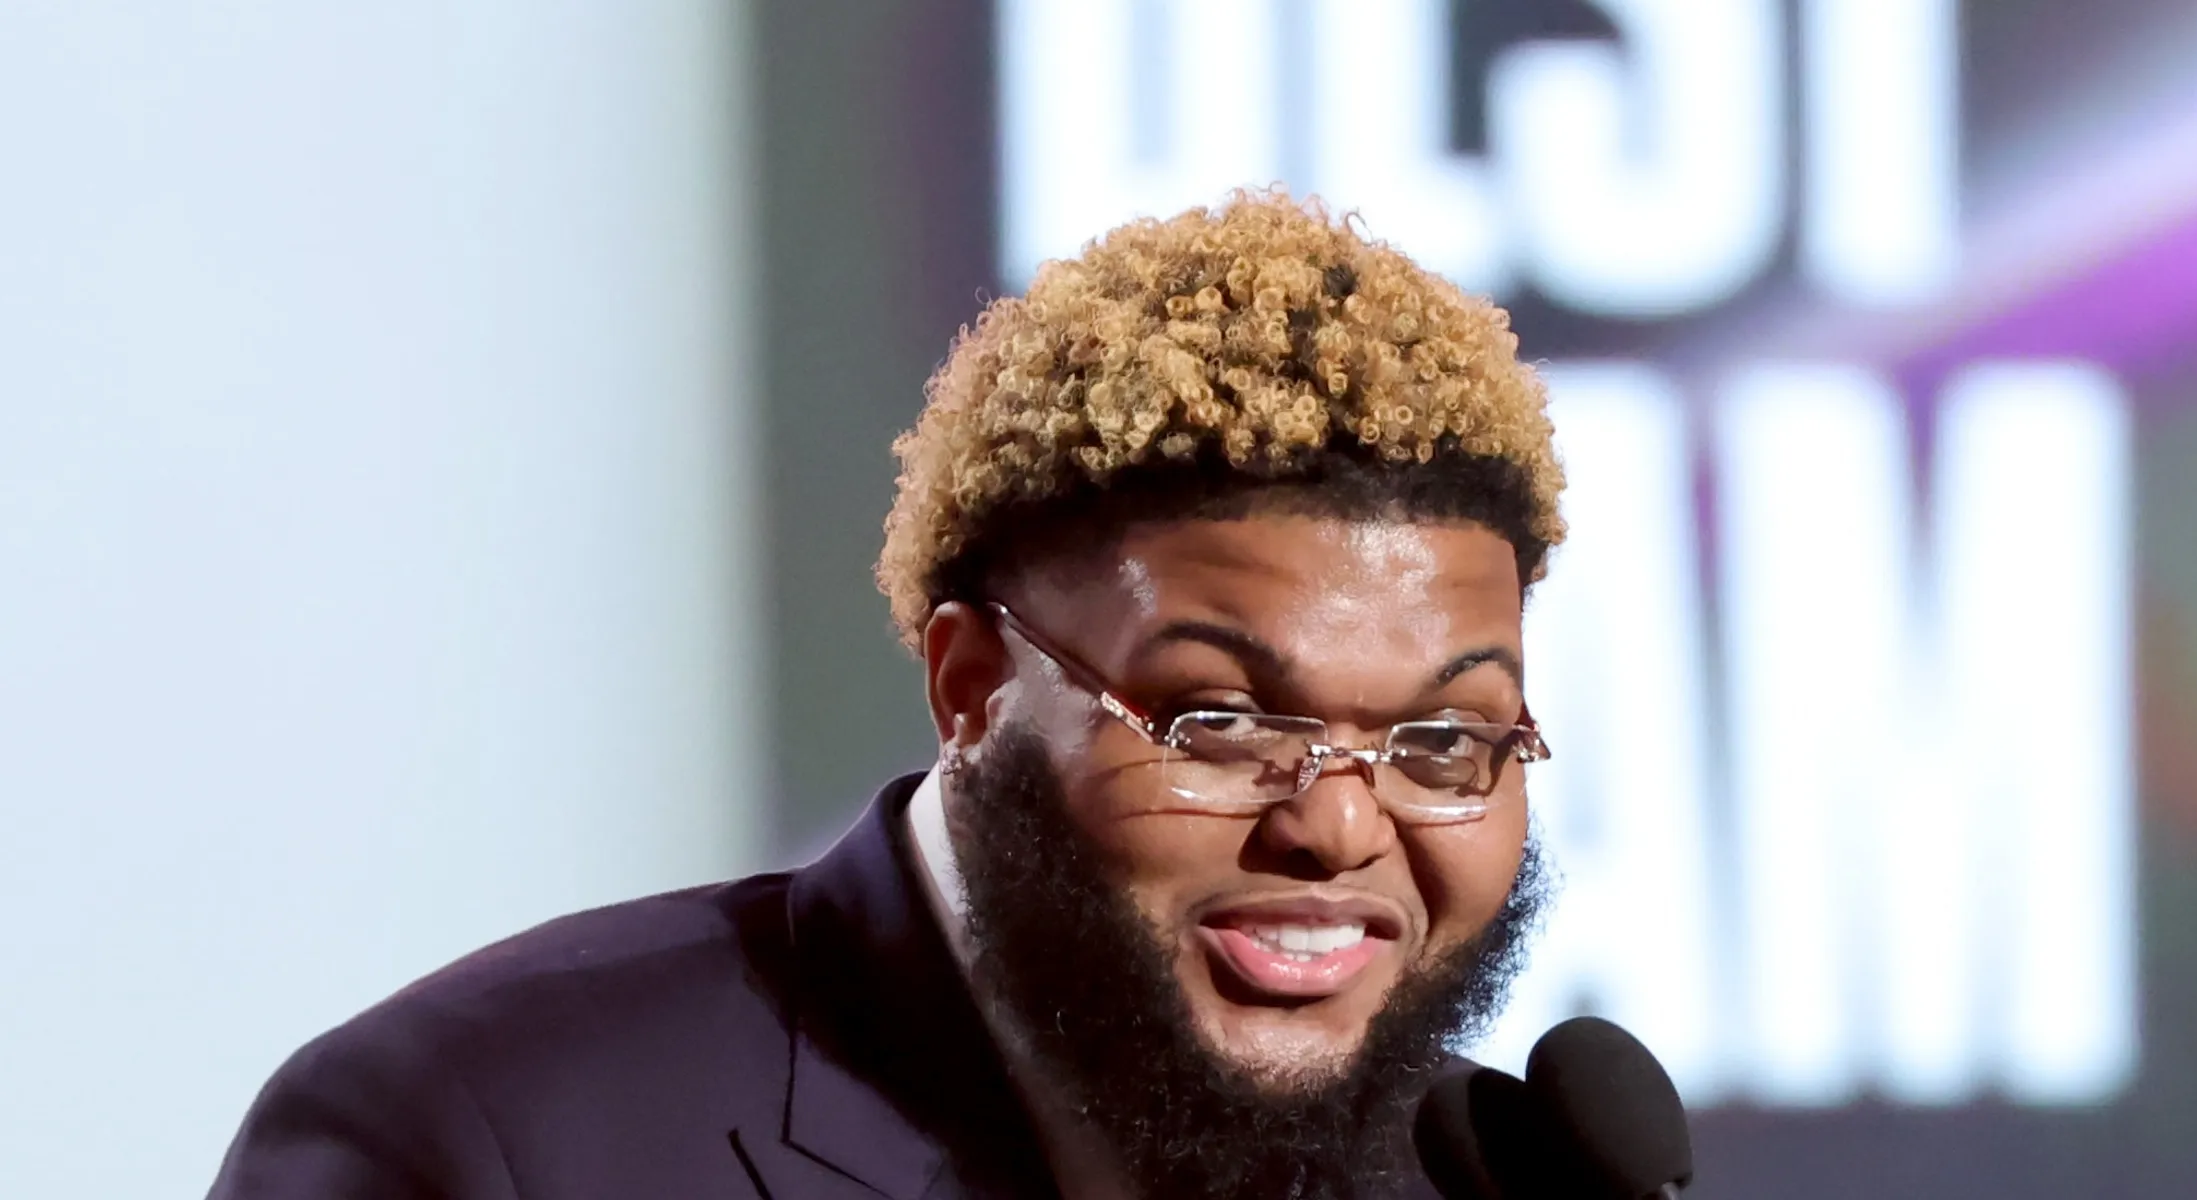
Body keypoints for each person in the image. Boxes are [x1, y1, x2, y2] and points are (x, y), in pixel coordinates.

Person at [207, 190, 1569, 1200]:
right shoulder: (488, 1140)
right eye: (1220, 725)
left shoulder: (1491, 1183)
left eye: (1444, 742)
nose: (1339, 828)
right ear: (971, 686)